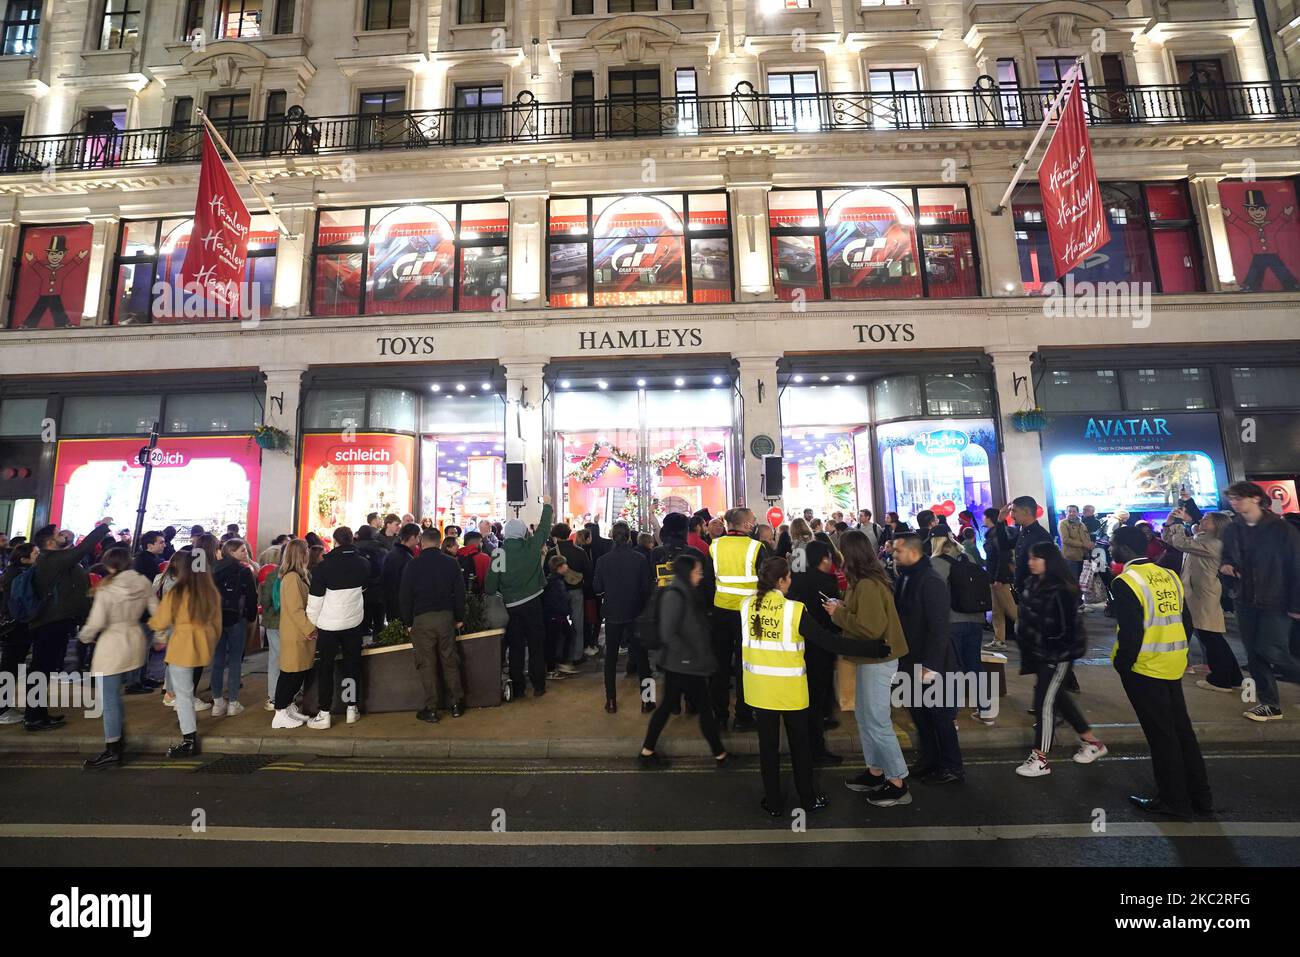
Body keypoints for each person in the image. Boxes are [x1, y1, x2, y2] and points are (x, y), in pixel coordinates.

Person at [743, 557, 887, 817]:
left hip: (758, 691)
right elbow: (828, 642)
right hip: (790, 692)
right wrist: (872, 648)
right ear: (781, 581)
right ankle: (808, 799)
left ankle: (773, 802)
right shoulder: (794, 610)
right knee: (801, 747)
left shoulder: (746, 606)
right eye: (789, 577)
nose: (791, 581)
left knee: (768, 749)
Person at [1109, 525, 1211, 818]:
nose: (1111, 548)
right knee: (1182, 731)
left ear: (1125, 549)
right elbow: (1185, 620)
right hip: (1174, 661)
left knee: (1161, 735)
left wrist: (1122, 664)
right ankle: (1200, 796)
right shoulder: (1168, 574)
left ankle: (1174, 800)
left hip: (1145, 667)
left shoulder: (1126, 581)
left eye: (1114, 543)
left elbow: (1130, 634)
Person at [825, 531, 911, 807]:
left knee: (877, 721)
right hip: (869, 659)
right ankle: (876, 771)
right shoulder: (860, 581)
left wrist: (837, 613)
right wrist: (841, 606)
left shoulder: (868, 585)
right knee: (865, 717)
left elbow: (870, 627)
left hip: (878, 659)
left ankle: (896, 781)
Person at [1013, 542, 1107, 777]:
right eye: (1031, 558)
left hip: (1055, 656)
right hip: (1041, 654)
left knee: (1044, 703)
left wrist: (1051, 650)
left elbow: (1068, 630)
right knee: (1059, 699)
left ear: (1049, 561)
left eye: (1036, 558)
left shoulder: (1062, 589)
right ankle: (1092, 742)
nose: (1031, 562)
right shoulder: (1034, 583)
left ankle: (1040, 758)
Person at [1219, 481, 1300, 721]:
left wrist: (1296, 604)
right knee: (1254, 653)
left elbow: (1296, 565)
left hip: (1277, 599)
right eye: (1232, 498)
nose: (1234, 503)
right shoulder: (1234, 528)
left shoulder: (1281, 529)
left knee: (1272, 649)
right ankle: (1270, 704)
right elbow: (1227, 556)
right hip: (1245, 598)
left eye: (1238, 498)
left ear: (1255, 498)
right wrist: (1227, 567)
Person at [639, 553, 728, 766]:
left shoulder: (687, 590)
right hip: (682, 664)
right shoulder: (675, 594)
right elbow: (668, 632)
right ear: (687, 572)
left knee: (677, 706)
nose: (701, 575)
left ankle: (648, 752)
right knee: (702, 709)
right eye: (697, 571)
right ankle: (719, 755)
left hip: (685, 663)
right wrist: (690, 656)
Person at [22, 520, 112, 731]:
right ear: (51, 541)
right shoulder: (52, 559)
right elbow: (82, 549)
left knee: (42, 669)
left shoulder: (55, 559)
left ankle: (38, 713)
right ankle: (34, 716)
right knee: (40, 669)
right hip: (49, 623)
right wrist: (102, 527)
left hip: (56, 622)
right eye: (59, 533)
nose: (64, 534)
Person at [76, 547, 159, 769]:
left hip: (112, 643)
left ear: (109, 565)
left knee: (109, 699)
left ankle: (113, 749)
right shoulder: (142, 582)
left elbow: (96, 622)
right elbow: (156, 611)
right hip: (135, 638)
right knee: (116, 696)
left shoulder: (107, 588)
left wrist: (84, 637)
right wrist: (161, 634)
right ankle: (119, 739)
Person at [892, 534, 963, 784]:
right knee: (920, 715)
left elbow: (939, 628)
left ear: (913, 552)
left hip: (932, 665)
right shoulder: (906, 578)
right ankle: (930, 759)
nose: (894, 556)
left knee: (940, 717)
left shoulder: (931, 581)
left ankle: (952, 767)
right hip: (909, 661)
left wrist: (930, 666)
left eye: (898, 551)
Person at [149, 550, 223, 757]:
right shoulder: (210, 591)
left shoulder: (178, 592)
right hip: (204, 643)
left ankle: (188, 739)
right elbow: (217, 624)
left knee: (183, 695)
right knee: (189, 690)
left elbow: (160, 621)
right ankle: (188, 735)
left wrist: (155, 630)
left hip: (182, 644)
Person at [1162, 510, 1243, 692]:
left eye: (1207, 519)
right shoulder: (1202, 538)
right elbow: (1173, 541)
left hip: (1204, 592)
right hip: (1197, 592)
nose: (1202, 520)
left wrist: (1179, 523)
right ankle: (1234, 677)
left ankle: (1220, 679)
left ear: (1218, 526)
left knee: (1210, 636)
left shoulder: (1214, 543)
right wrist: (1169, 523)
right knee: (1211, 636)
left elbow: (1180, 543)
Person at [486, 497, 554, 701]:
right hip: (534, 603)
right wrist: (547, 505)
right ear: (524, 533)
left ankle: (518, 689)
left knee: (515, 647)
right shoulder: (532, 546)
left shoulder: (499, 553)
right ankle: (539, 686)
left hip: (511, 608)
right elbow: (543, 529)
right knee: (536, 645)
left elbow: (490, 586)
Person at [709, 507, 770, 731]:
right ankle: (743, 717)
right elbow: (767, 581)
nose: (754, 524)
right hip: (748, 614)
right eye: (752, 521)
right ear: (745, 525)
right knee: (745, 665)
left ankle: (719, 716)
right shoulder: (756, 547)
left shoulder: (714, 546)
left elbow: (709, 580)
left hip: (720, 611)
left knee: (720, 665)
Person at [305, 527, 371, 729]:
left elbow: (315, 601)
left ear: (335, 541)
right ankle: (351, 707)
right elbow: (364, 589)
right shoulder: (364, 563)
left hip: (328, 626)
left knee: (326, 668)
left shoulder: (324, 567)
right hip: (353, 623)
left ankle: (324, 712)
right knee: (352, 665)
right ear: (352, 540)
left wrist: (313, 623)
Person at [400, 527, 467, 723]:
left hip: (422, 619)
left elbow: (404, 596)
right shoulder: (451, 563)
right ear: (439, 542)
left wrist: (408, 622)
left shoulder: (412, 565)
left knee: (426, 664)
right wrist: (459, 616)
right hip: (446, 616)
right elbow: (460, 592)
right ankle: (456, 704)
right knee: (450, 659)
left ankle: (431, 709)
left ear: (422, 541)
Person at [787, 540, 843, 765]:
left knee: (808, 695)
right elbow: (831, 619)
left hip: (799, 645)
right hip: (821, 645)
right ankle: (816, 747)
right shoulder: (826, 583)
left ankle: (815, 731)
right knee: (818, 696)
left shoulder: (795, 579)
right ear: (824, 559)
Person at [932, 535, 993, 724]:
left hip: (952, 621)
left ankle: (951, 717)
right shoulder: (969, 559)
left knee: (951, 668)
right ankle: (987, 711)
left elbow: (933, 594)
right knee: (974, 665)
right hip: (975, 619)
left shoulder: (935, 563)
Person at [594, 522, 653, 713]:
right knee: (642, 658)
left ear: (612, 536)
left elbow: (597, 588)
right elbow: (647, 588)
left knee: (610, 658)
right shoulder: (640, 559)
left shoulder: (603, 561)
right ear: (629, 537)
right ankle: (647, 700)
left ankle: (611, 700)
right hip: (635, 612)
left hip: (612, 613)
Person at [268, 540, 316, 729]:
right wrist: (309, 629)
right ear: (301, 554)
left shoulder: (296, 576)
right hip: (296, 634)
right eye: (306, 551)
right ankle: (280, 712)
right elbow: (296, 609)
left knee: (296, 673)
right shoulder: (292, 578)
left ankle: (286, 708)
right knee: (291, 675)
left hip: (298, 633)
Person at [209, 539, 257, 717]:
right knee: (235, 660)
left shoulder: (213, 569)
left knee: (218, 660)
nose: (246, 553)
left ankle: (217, 702)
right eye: (242, 551)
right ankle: (233, 702)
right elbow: (252, 597)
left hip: (216, 619)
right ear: (232, 552)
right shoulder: (244, 571)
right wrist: (251, 617)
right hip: (237, 618)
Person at [0, 543, 38, 724]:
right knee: (9, 667)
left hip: (14, 627)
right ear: (24, 559)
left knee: (10, 666)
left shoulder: (12, 572)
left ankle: (4, 706)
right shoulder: (20, 575)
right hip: (17, 628)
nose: (39, 556)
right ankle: (3, 709)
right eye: (35, 553)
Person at [546, 523, 587, 672]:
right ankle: (576, 655)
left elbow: (546, 572)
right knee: (577, 623)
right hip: (576, 590)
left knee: (559, 627)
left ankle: (560, 656)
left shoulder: (552, 553)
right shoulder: (580, 551)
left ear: (555, 536)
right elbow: (588, 570)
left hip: (556, 593)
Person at [982, 508, 1017, 653]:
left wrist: (998, 578)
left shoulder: (997, 534)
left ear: (990, 518)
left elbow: (1002, 557)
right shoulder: (992, 534)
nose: (983, 519)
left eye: (984, 517)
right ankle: (999, 639)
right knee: (997, 610)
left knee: (1011, 610)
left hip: (1000, 579)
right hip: (994, 578)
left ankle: (1033, 633)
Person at [353, 525, 388, 641]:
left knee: (359, 626)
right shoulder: (381, 549)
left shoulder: (353, 549)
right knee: (379, 624)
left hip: (359, 592)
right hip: (379, 591)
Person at [1010, 497, 1052, 594]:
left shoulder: (1041, 536)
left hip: (1036, 593)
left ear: (1026, 511)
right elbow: (1004, 545)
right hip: (1023, 591)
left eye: (1014, 511)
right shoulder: (1022, 532)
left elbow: (1047, 569)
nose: (1011, 515)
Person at [381, 523, 421, 623]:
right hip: (402, 608)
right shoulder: (406, 558)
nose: (419, 540)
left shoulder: (392, 553)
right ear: (413, 537)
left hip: (390, 605)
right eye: (418, 536)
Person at [257, 554, 281, 713]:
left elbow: (264, 603)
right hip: (289, 623)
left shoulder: (270, 575)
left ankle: (274, 696)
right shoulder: (302, 574)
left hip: (272, 622)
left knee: (275, 659)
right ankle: (287, 694)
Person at [1058, 505, 1092, 581]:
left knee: (1083, 581)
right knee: (1073, 580)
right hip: (1071, 558)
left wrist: (1089, 544)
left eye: (1074, 511)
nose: (1071, 513)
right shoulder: (1063, 523)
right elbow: (1065, 540)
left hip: (1082, 556)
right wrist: (1083, 544)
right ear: (1066, 512)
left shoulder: (1081, 524)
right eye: (1069, 511)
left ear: (1077, 513)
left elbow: (1086, 537)